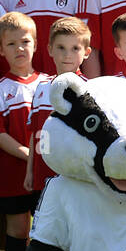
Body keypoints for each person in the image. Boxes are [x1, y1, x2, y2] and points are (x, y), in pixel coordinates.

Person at [0, 12, 50, 251]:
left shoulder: (48, 84)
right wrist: (28, 155)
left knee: (44, 228)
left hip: (45, 173)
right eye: (11, 44)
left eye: (25, 41)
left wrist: (39, 159)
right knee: (17, 228)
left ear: (35, 43)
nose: (19, 49)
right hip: (13, 171)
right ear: (0, 49)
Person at [27, 17, 93, 201]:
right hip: (42, 175)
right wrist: (30, 171)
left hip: (75, 176)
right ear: (50, 49)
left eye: (75, 48)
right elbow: (35, 133)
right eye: (61, 48)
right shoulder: (41, 88)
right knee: (42, 227)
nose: (67, 55)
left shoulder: (91, 90)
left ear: (86, 52)